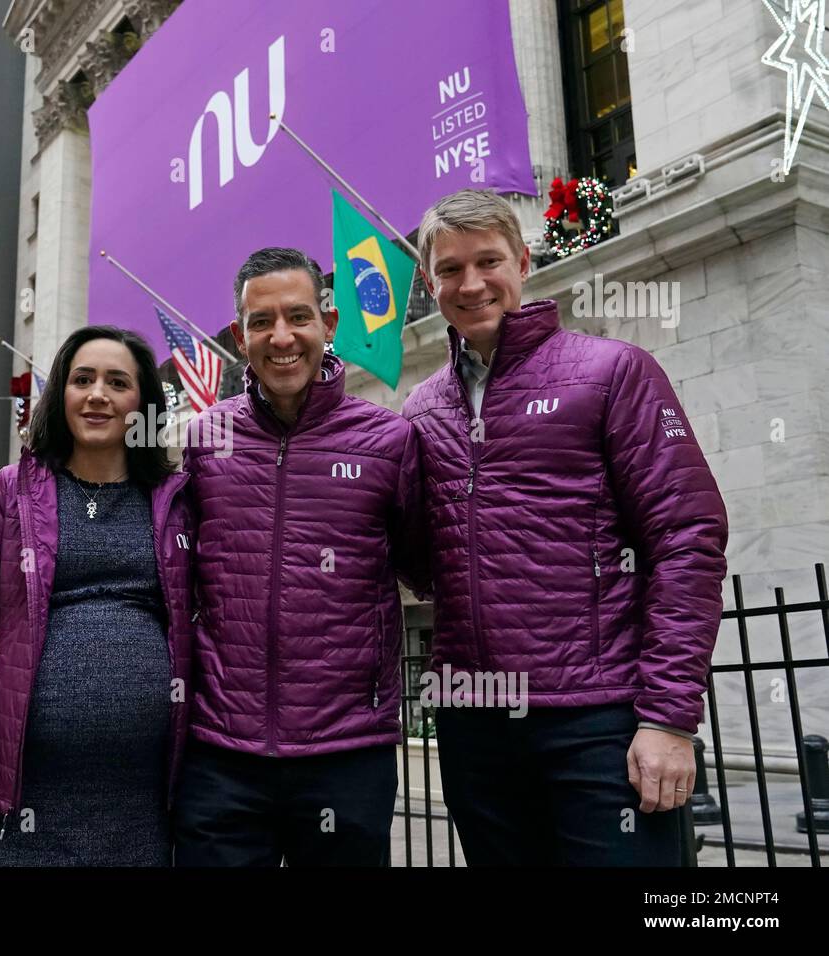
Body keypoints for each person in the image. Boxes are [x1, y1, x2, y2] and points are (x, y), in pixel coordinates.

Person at [400, 189, 728, 866]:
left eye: (488, 260)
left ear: (522, 261)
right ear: (431, 283)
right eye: (451, 269)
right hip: (475, 724)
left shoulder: (612, 371)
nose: (471, 283)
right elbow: (420, 561)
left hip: (596, 719)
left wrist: (667, 717)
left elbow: (686, 538)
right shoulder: (421, 408)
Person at [174, 247, 426, 866]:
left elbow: (427, 568)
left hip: (347, 752)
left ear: (329, 325)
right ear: (240, 336)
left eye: (298, 316)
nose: (280, 337)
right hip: (221, 753)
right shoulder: (206, 439)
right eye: (262, 322)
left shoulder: (390, 440)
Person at [0, 326, 194, 866]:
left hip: (145, 811)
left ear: (142, 405)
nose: (98, 393)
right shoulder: (8, 495)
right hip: (21, 806)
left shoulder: (178, 504)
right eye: (82, 379)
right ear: (61, 395)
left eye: (118, 382)